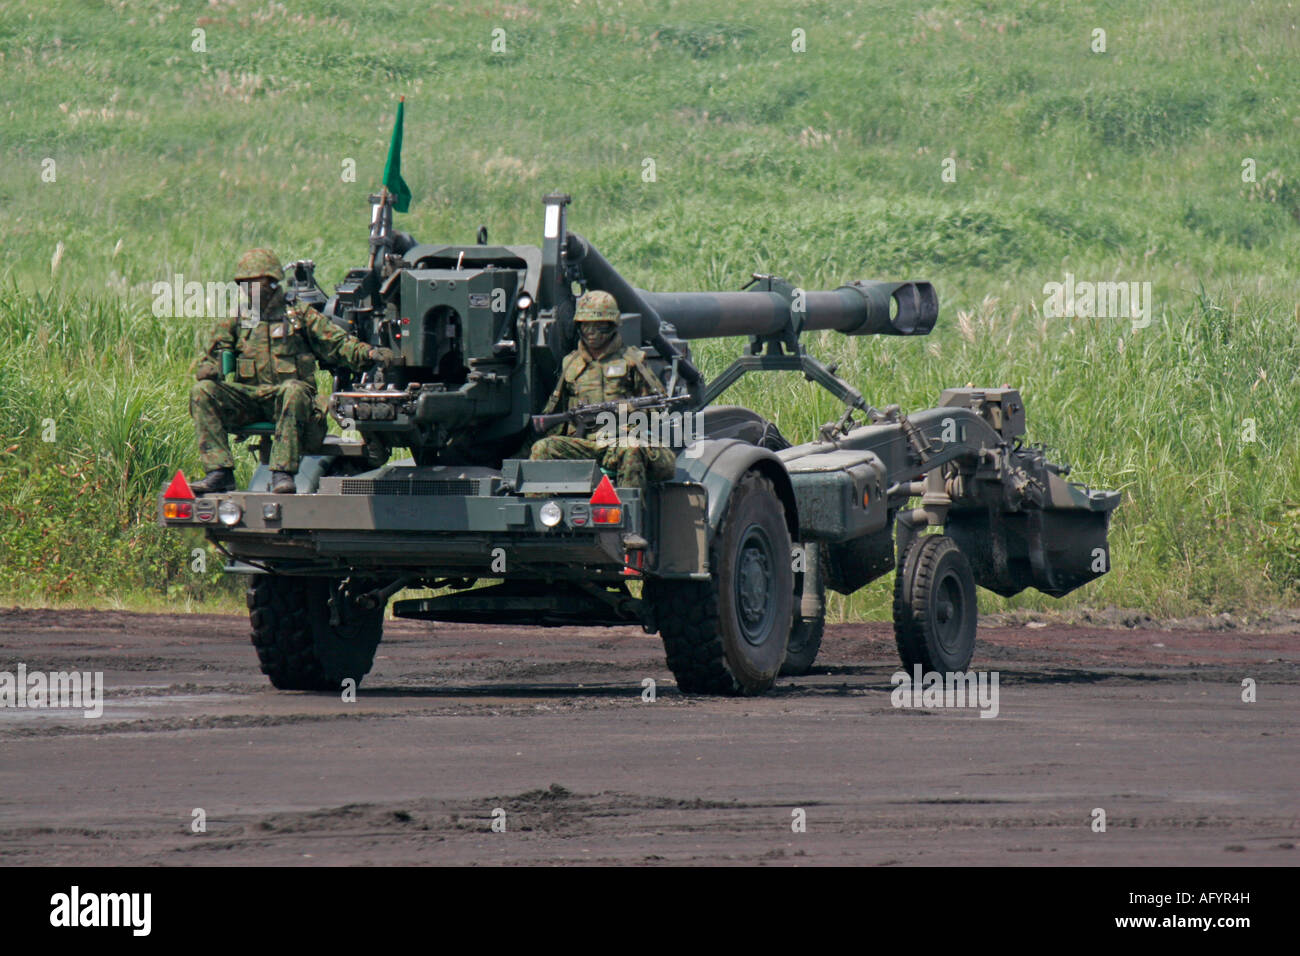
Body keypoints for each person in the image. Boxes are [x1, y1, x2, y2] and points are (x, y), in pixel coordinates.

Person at [189, 248, 399, 495]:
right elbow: (214, 354)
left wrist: (371, 354)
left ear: (271, 282)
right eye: (244, 284)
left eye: (254, 283)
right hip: (252, 400)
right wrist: (209, 369)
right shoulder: (238, 318)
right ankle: (219, 472)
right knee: (202, 391)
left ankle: (282, 473)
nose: (248, 290)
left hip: (296, 406)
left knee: (294, 389)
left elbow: (338, 344)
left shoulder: (298, 315)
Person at [529, 290, 676, 489]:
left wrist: (634, 413)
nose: (591, 332)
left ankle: (628, 512)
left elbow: (659, 406)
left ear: (612, 326)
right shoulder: (570, 363)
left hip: (619, 442)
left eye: (599, 326)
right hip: (585, 443)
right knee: (542, 449)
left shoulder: (632, 360)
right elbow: (555, 409)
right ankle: (543, 514)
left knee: (631, 449)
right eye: (586, 326)